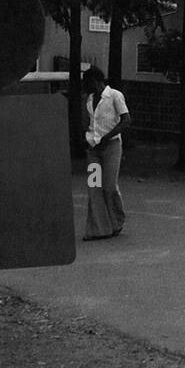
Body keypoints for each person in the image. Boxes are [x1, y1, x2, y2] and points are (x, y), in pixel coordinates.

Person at [83, 66, 131, 240]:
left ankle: (117, 221)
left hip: (111, 146)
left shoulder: (114, 96)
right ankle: (98, 228)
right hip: (93, 150)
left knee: (109, 186)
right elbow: (90, 123)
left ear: (95, 81)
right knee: (94, 187)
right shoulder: (89, 99)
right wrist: (88, 139)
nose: (84, 85)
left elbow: (126, 120)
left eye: (87, 82)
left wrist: (107, 137)